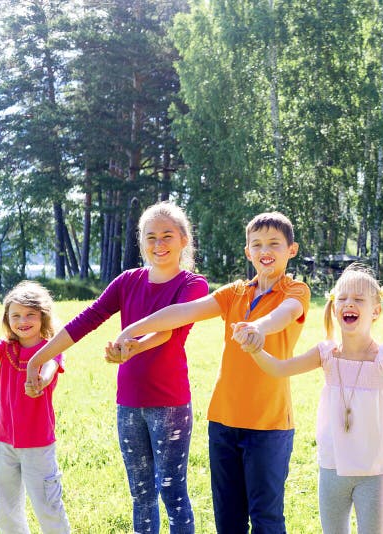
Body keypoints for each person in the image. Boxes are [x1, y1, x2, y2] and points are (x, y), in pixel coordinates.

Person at [113, 211, 311, 533]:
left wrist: (257, 328)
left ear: (291, 250)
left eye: (274, 244)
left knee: (266, 519)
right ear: (248, 251)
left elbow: (285, 315)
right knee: (228, 521)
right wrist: (133, 329)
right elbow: (182, 312)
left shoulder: (295, 291)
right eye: (257, 244)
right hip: (223, 423)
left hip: (269, 425)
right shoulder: (234, 292)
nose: (266, 250)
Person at [26, 201, 208, 533]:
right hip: (128, 405)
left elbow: (171, 329)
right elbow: (87, 319)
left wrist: (133, 342)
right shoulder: (127, 281)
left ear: (184, 240)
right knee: (141, 495)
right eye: (150, 237)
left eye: (167, 236)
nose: (159, 244)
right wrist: (38, 356)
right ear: (142, 243)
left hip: (170, 404)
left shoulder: (193, 285)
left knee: (172, 492)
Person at [237, 264, 383, 534]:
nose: (349, 304)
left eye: (358, 299)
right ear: (334, 308)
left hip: (373, 470)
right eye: (343, 298)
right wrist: (254, 349)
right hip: (332, 466)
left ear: (376, 311)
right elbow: (280, 369)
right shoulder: (327, 353)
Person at [0, 281, 70, 533]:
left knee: (47, 506)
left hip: (37, 444)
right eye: (16, 315)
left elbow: (50, 367)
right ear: (8, 320)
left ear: (43, 317)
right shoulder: (6, 348)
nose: (23, 320)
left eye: (30, 314)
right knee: (6, 509)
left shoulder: (50, 349)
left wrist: (40, 380)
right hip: (3, 443)